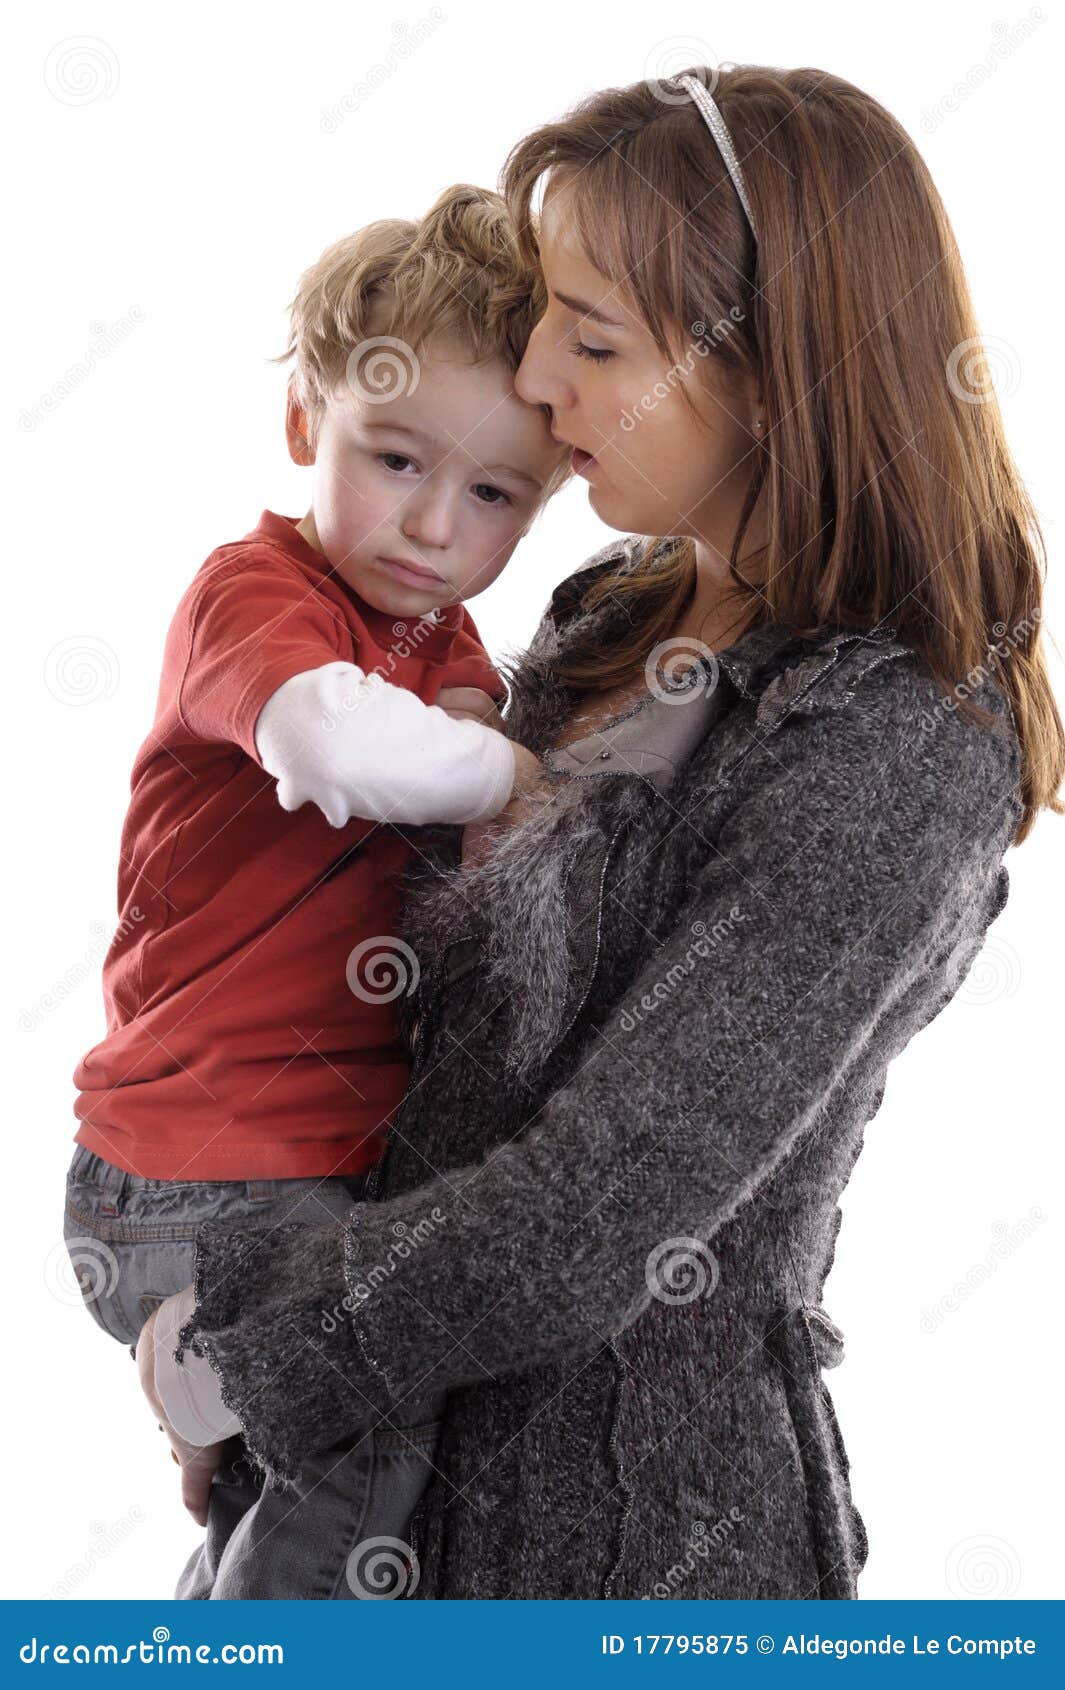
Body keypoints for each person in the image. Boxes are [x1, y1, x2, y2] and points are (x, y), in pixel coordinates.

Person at [138, 64, 1063, 1600]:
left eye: (589, 335)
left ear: (767, 369)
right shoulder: (604, 612)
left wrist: (247, 1364)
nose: (534, 375)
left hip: (625, 1552)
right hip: (351, 1484)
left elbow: (606, 1202)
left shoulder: (899, 736)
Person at [63, 182, 569, 1596]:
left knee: (284, 1496)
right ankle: (210, 1387)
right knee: (363, 1422)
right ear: (307, 423)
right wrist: (510, 778)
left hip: (306, 1172)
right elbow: (331, 742)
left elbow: (480, 784)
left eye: (492, 496)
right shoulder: (255, 595)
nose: (430, 526)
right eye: (394, 458)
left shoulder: (444, 634)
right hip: (191, 1168)